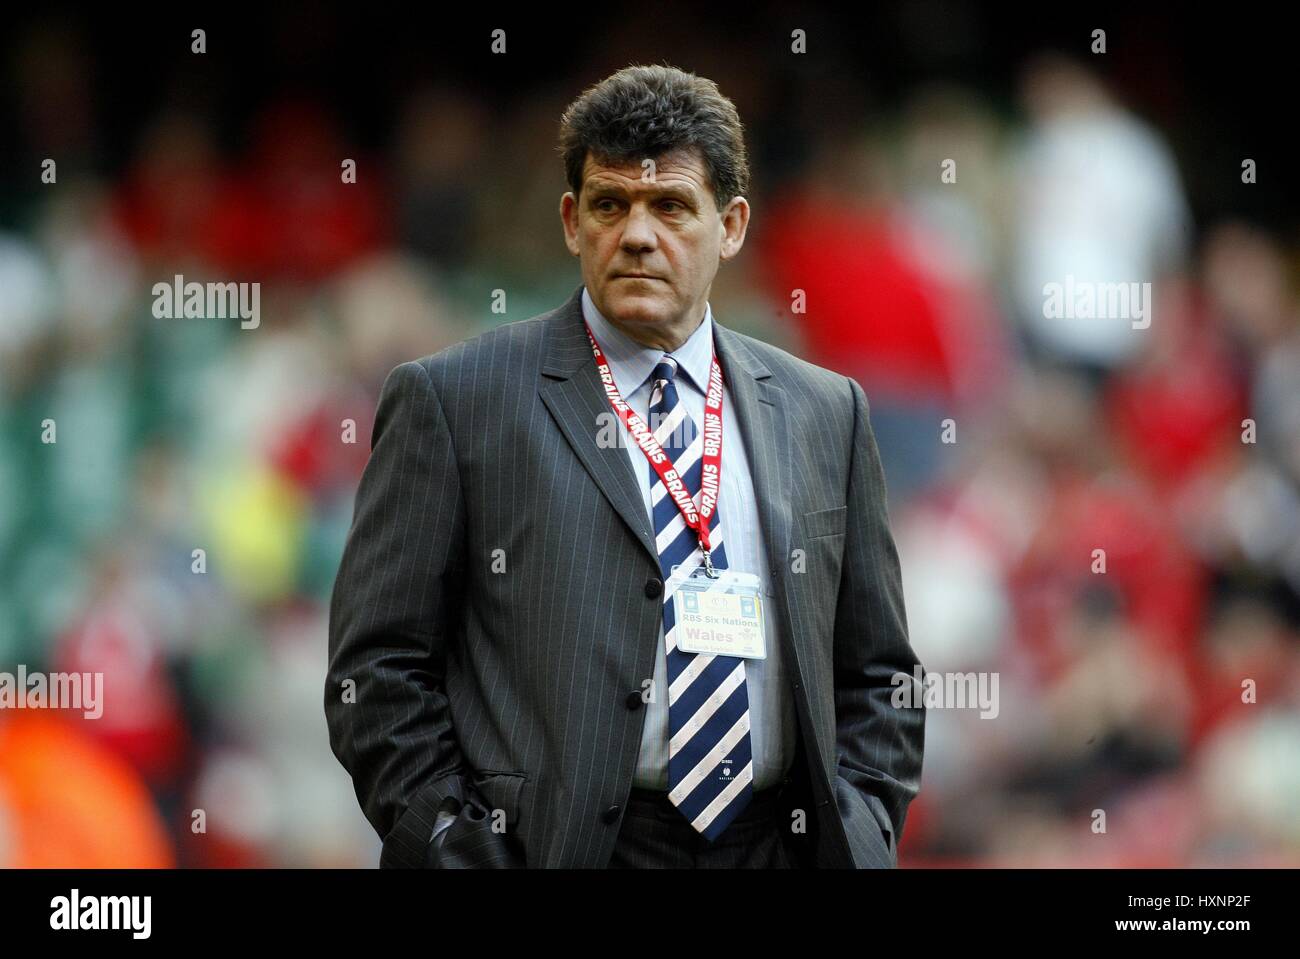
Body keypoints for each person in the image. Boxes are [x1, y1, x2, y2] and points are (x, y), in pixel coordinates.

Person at [325, 63, 925, 868]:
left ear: (733, 225)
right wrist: (456, 846)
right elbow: (377, 668)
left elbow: (881, 671)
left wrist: (860, 826)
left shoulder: (827, 410)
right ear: (573, 221)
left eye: (672, 206)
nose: (637, 234)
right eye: (611, 204)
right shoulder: (455, 399)